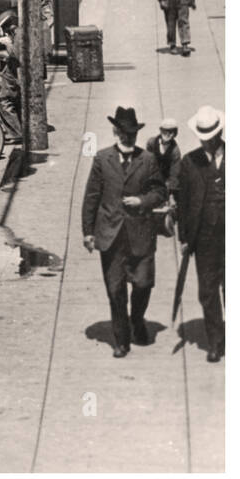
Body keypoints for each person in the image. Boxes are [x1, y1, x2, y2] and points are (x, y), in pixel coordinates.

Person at [81, 107, 167, 357]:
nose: (128, 138)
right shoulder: (102, 159)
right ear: (115, 132)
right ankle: (121, 340)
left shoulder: (148, 160)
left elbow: (160, 192)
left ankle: (137, 319)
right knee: (115, 290)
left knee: (143, 284)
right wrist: (88, 232)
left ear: (137, 134)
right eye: (123, 133)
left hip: (141, 234)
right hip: (111, 236)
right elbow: (91, 197)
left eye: (132, 133)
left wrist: (142, 201)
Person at [174, 106, 225, 362]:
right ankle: (215, 341)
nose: (208, 141)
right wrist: (184, 237)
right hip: (203, 239)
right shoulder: (190, 162)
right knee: (207, 290)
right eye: (204, 137)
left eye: (213, 137)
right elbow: (182, 203)